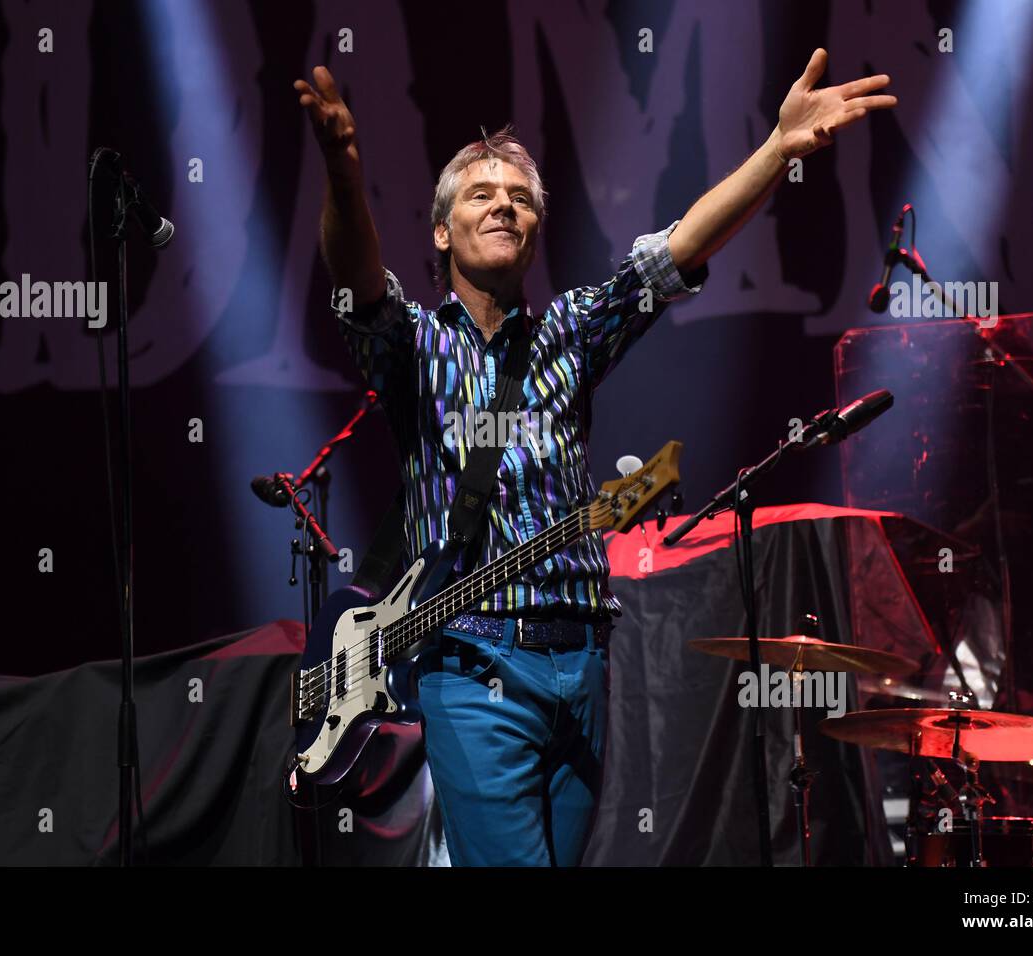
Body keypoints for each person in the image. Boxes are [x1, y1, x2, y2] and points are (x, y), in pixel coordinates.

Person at [294, 50, 896, 865]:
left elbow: (677, 250)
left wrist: (778, 151)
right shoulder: (414, 345)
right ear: (441, 231)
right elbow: (357, 272)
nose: (505, 206)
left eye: (520, 198)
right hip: (473, 661)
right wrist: (341, 165)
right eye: (482, 195)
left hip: (584, 663)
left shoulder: (571, 329)